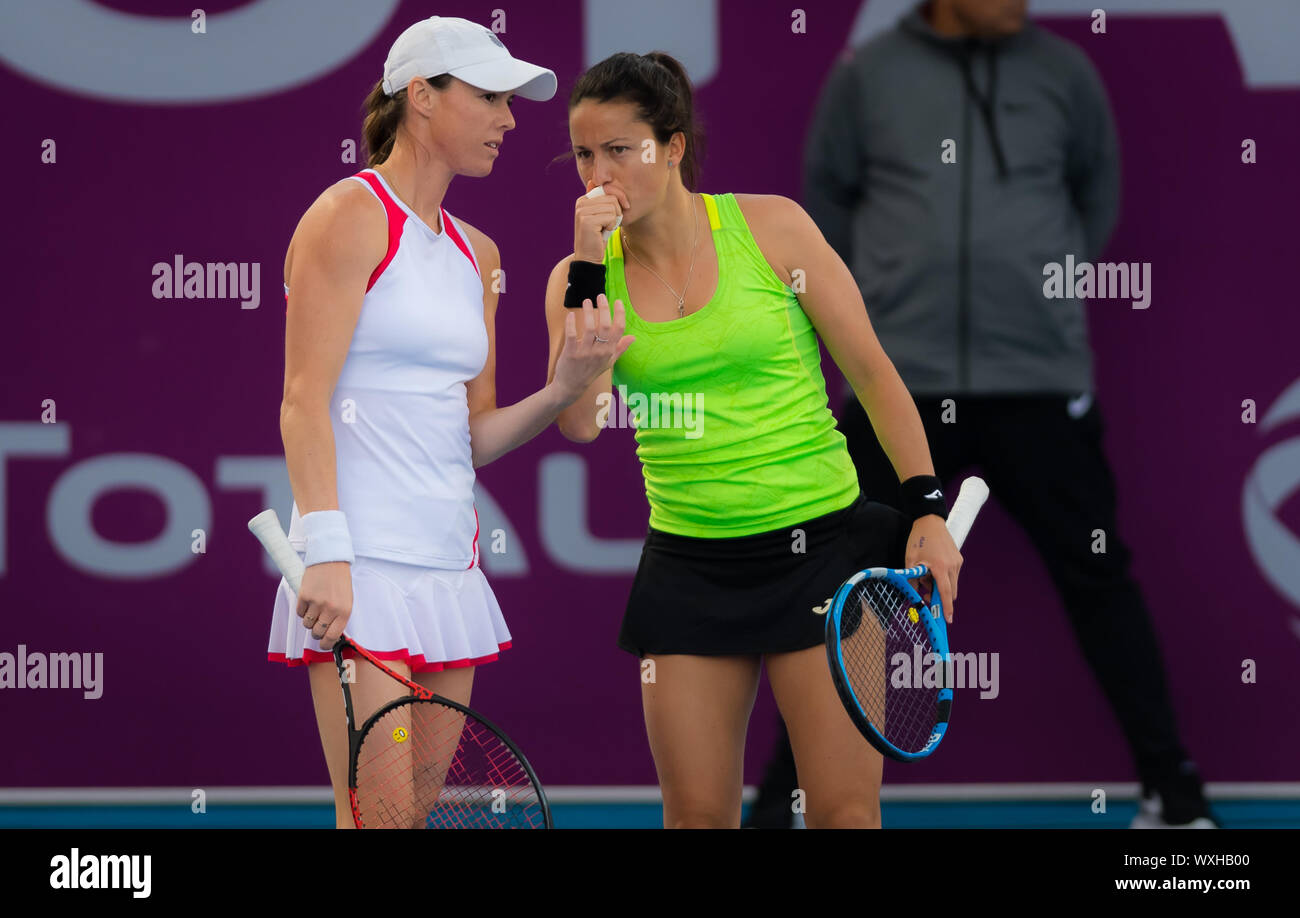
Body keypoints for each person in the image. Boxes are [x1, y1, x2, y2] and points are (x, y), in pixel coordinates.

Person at [766, 0, 1215, 828]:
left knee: (1099, 576)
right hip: (899, 383)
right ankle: (782, 803)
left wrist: (1028, 287)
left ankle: (1174, 794)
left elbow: (1094, 201)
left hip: (1036, 377)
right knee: (846, 597)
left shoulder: (1064, 74)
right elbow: (824, 212)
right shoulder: (869, 76)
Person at [543, 51, 964, 829]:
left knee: (842, 814)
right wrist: (589, 275)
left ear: (671, 147)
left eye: (619, 150)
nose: (598, 174)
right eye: (583, 153)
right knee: (697, 819)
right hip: (690, 565)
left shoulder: (772, 227)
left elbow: (872, 375)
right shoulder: (578, 278)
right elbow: (581, 422)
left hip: (826, 557)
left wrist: (927, 510)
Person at [266, 16, 630, 829]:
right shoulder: (348, 214)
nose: (510, 119)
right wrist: (326, 553)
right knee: (377, 820)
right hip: (357, 567)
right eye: (491, 97)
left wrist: (562, 385)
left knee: (412, 821)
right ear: (421, 97)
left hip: (448, 572)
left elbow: (475, 438)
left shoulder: (480, 254)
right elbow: (303, 400)